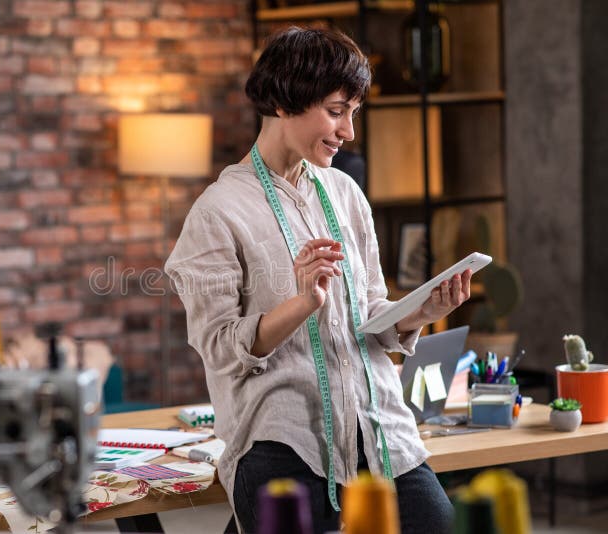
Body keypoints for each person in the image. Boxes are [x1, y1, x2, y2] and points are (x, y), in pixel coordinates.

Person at [165, 27, 472, 534]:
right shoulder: (217, 213)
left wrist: (419, 313)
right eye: (336, 111)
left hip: (380, 433)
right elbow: (219, 347)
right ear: (285, 104)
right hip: (283, 442)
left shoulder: (345, 192)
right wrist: (303, 301)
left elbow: (369, 312)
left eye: (353, 112)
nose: (349, 131)